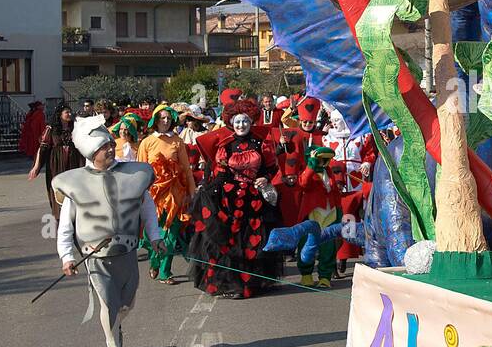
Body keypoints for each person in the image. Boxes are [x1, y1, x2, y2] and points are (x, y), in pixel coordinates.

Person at [55, 116, 165, 347]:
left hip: (127, 254)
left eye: (109, 144)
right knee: (108, 304)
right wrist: (66, 256)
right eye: (104, 146)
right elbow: (65, 226)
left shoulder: (134, 174)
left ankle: (115, 324)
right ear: (93, 152)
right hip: (96, 258)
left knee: (127, 303)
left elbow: (147, 208)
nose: (110, 148)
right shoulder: (75, 183)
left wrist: (156, 236)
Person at [187, 98, 282, 299]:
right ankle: (232, 284)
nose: (241, 125)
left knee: (252, 241)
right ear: (231, 122)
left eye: (245, 121)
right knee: (229, 241)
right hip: (230, 198)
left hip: (255, 198)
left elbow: (271, 167)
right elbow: (221, 172)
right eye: (238, 121)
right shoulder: (226, 145)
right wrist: (209, 190)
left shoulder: (260, 142)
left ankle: (252, 283)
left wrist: (264, 178)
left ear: (251, 122)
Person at [138, 104, 198, 284]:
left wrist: (191, 191)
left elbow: (186, 169)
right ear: (156, 120)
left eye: (168, 118)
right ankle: (155, 261)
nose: (166, 121)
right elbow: (140, 170)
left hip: (174, 194)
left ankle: (165, 271)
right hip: (153, 194)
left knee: (171, 233)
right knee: (151, 233)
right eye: (162, 118)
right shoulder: (147, 142)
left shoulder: (177, 141)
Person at [29, 104, 84, 219]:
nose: (69, 114)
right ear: (60, 114)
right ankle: (60, 217)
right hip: (56, 164)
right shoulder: (51, 129)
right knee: (58, 190)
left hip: (73, 163)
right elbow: (42, 148)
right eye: (66, 112)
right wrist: (36, 167)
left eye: (70, 112)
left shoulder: (75, 127)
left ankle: (75, 216)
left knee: (73, 189)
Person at [296, 144, 340, 288]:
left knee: (328, 248)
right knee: (307, 246)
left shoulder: (329, 172)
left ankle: (325, 277)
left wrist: (339, 212)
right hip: (312, 215)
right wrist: (312, 163)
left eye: (324, 160)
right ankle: (306, 275)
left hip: (329, 214)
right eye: (320, 159)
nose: (322, 162)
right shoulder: (307, 171)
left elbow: (335, 193)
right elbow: (303, 183)